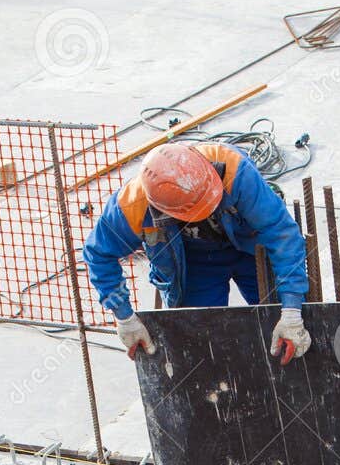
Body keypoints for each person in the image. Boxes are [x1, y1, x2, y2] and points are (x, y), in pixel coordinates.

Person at [82, 141, 311, 363]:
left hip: (249, 248)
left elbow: (282, 234)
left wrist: (291, 309)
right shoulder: (131, 206)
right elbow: (98, 255)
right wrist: (124, 316)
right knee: (201, 341)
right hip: (194, 262)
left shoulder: (234, 170)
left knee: (281, 321)